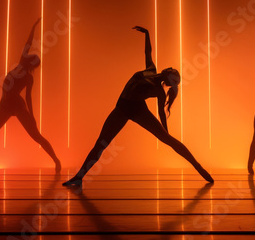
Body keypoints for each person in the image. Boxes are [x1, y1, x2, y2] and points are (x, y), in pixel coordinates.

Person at [63, 26, 213, 187]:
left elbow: (162, 113)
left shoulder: (159, 91)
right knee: (101, 143)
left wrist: (166, 134)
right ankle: (79, 177)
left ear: (168, 77)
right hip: (122, 107)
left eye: (173, 74)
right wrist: (147, 34)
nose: (170, 68)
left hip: (137, 110)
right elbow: (148, 52)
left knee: (168, 141)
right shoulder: (150, 69)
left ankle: (198, 167)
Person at [0, 19, 61, 175]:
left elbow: (29, 97)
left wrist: (31, 116)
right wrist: (33, 26)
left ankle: (56, 160)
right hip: (4, 106)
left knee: (36, 136)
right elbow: (28, 43)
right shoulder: (20, 65)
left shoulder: (28, 78)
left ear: (32, 64)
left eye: (32, 59)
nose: (29, 57)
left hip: (18, 106)